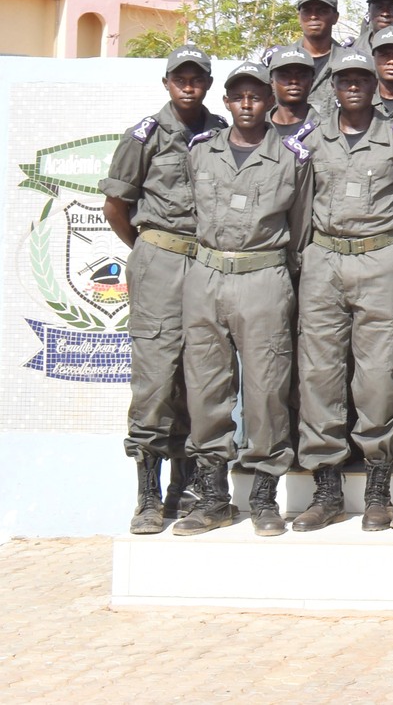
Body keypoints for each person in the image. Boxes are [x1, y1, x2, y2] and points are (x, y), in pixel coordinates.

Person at [172, 61, 312, 537]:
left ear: (271, 100)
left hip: (262, 276)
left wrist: (275, 272)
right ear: (226, 102)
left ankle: (264, 494)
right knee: (207, 386)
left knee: (267, 387)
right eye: (238, 96)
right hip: (207, 275)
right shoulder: (201, 152)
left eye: (256, 95)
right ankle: (212, 497)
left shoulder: (291, 157)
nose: (247, 104)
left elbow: (301, 228)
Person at [289, 51, 393, 533]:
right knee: (319, 373)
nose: (353, 87)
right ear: (334, 87)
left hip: (382, 259)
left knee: (380, 375)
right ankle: (325, 490)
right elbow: (299, 206)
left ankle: (377, 489)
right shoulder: (311, 142)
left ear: (374, 86)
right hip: (324, 260)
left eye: (361, 80)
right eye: (344, 80)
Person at [101, 44, 227, 534]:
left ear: (208, 84)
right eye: (181, 77)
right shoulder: (145, 135)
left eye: (197, 77)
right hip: (159, 258)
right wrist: (150, 248)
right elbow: (117, 205)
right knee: (155, 375)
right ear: (167, 83)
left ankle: (189, 487)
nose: (189, 84)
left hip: (208, 262)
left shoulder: (219, 133)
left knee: (203, 374)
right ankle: (149, 497)